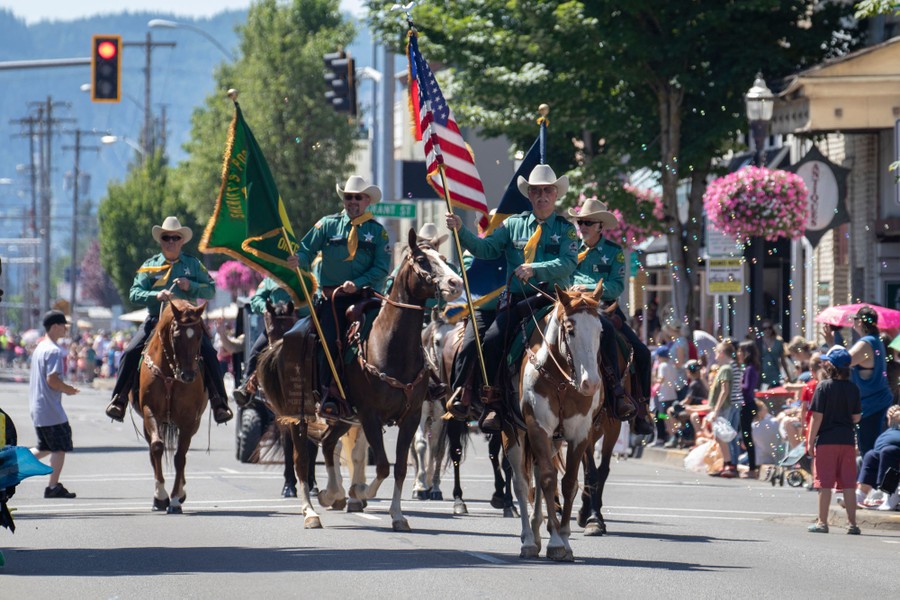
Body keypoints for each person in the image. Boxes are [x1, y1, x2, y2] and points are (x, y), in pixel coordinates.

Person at [445, 164, 578, 432]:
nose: (542, 196)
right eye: (536, 191)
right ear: (529, 195)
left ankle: (594, 396)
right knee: (492, 339)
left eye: (547, 191)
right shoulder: (512, 225)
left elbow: (569, 262)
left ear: (556, 194)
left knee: (585, 336)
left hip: (554, 301)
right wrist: (461, 230)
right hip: (518, 300)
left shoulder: (566, 230)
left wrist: (535, 269)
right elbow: (486, 249)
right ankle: (493, 400)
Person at [104, 217, 233, 424]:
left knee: (209, 353)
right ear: (160, 240)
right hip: (156, 320)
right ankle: (119, 399)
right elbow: (134, 293)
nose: (171, 241)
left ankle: (219, 402)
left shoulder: (194, 264)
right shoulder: (149, 266)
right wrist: (155, 295)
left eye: (175, 238)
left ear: (182, 241)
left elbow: (210, 289)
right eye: (166, 237)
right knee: (129, 352)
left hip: (188, 322)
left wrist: (190, 286)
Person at [294, 175, 390, 419]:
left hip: (365, 298)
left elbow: (381, 268)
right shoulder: (327, 224)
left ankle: (389, 387)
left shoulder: (378, 232)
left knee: (387, 337)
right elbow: (306, 250)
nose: (352, 201)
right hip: (333, 299)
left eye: (358, 197)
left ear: (367, 201)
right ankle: (328, 393)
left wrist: (357, 283)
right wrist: (298, 260)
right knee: (326, 340)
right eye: (348, 197)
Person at [569, 197, 651, 434]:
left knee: (643, 353)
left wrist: (588, 288)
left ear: (600, 226)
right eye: (580, 222)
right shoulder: (570, 249)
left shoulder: (614, 252)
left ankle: (639, 407)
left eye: (588, 222)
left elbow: (616, 287)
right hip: (571, 308)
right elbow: (561, 276)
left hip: (604, 309)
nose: (583, 227)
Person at [806, 345, 862, 534]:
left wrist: (810, 441)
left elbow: (817, 417)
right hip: (847, 440)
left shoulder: (823, 387)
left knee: (824, 483)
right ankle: (852, 524)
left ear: (831, 366)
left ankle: (822, 522)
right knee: (849, 483)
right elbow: (857, 417)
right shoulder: (854, 388)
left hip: (827, 440)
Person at [29, 310, 81, 499]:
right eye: (63, 325)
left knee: (45, 447)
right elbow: (52, 380)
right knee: (60, 446)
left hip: (39, 406)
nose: (65, 329)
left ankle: (9, 464)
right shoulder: (53, 350)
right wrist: (68, 389)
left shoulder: (40, 347)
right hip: (50, 408)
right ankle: (52, 486)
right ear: (55, 326)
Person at [846, 306, 893, 455]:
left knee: (870, 453)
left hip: (872, 406)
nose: (853, 322)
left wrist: (832, 343)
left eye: (854, 319)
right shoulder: (875, 340)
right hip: (878, 402)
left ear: (860, 322)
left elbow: (843, 361)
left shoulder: (866, 343)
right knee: (874, 451)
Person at [850, 405, 900, 511]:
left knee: (889, 451)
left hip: (893, 450)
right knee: (871, 455)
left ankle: (890, 495)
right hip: (885, 447)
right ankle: (860, 495)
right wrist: (892, 415)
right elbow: (891, 424)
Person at [706, 339, 743, 478]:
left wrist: (716, 409)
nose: (715, 355)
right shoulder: (730, 367)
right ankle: (727, 463)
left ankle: (730, 464)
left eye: (716, 352)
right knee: (725, 436)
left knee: (725, 435)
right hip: (730, 405)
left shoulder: (726, 368)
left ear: (722, 353)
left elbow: (724, 390)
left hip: (726, 406)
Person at [737, 340, 761, 478]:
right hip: (747, 405)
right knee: (745, 437)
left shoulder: (750, 368)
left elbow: (747, 388)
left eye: (741, 351)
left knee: (747, 437)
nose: (738, 353)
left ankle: (752, 468)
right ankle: (750, 466)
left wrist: (736, 384)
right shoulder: (749, 368)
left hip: (747, 405)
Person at [653, 347, 679, 445]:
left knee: (665, 417)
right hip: (672, 395)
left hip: (664, 396)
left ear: (659, 356)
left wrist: (654, 378)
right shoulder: (672, 365)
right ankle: (673, 436)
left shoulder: (662, 366)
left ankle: (672, 437)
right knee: (671, 417)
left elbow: (661, 379)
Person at [760, 321, 790, 388]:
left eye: (769, 328)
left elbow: (783, 361)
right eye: (765, 328)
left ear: (772, 329)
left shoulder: (778, 343)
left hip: (775, 376)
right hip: (762, 376)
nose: (767, 330)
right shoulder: (758, 343)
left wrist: (788, 375)